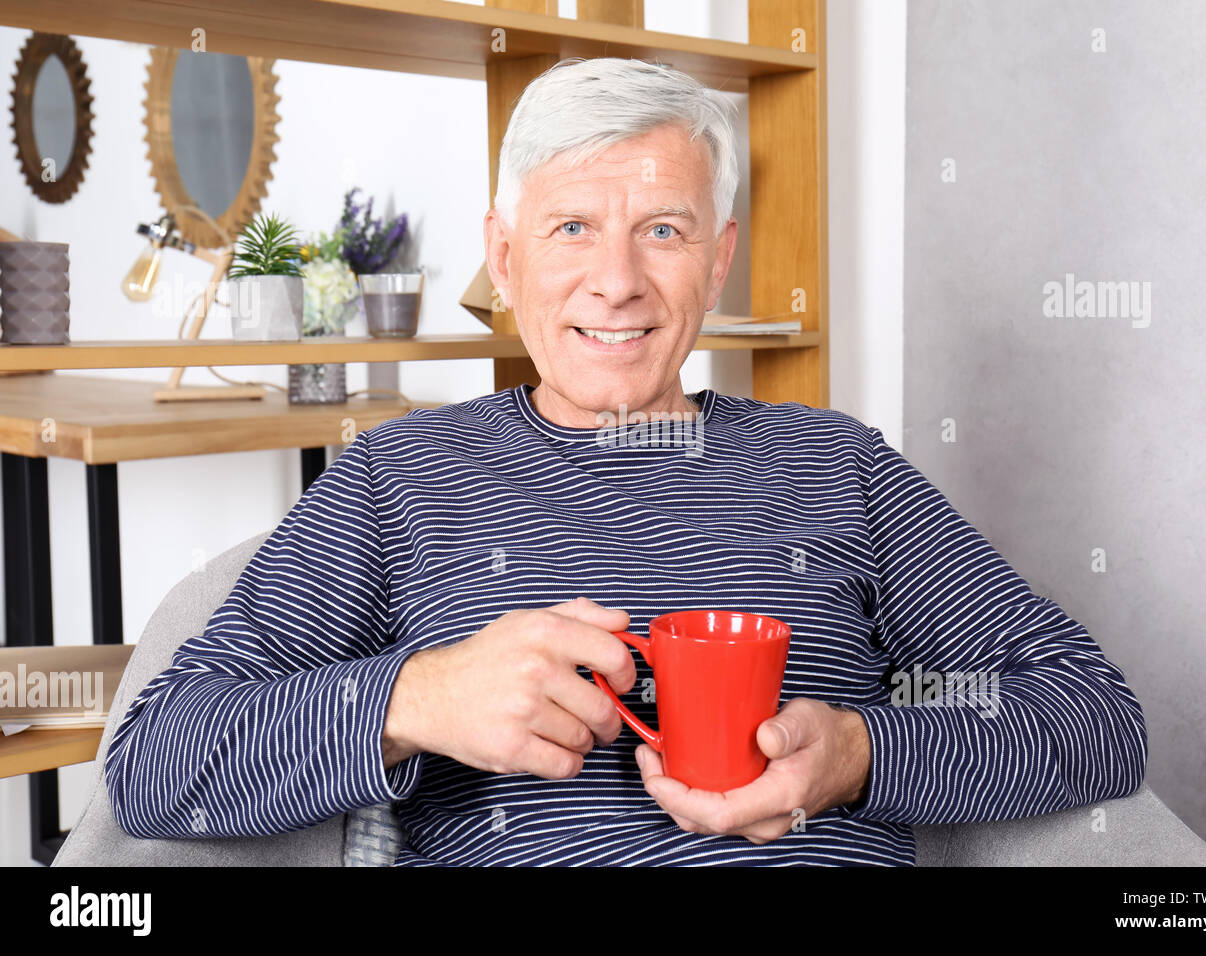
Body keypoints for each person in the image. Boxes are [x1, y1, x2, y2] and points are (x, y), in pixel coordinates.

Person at [106, 57, 1147, 865]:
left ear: (718, 256)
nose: (616, 282)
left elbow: (1095, 715)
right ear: (505, 261)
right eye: (570, 228)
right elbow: (155, 764)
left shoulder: (840, 465)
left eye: (661, 229)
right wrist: (415, 699)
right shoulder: (400, 475)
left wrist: (859, 755)